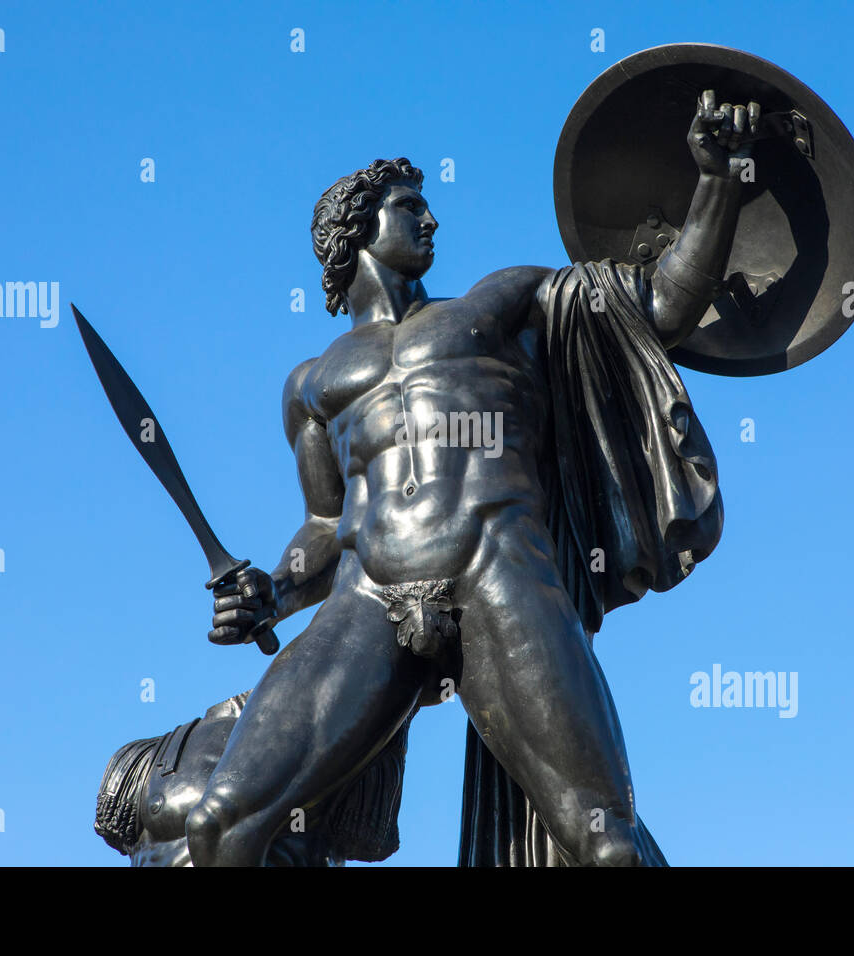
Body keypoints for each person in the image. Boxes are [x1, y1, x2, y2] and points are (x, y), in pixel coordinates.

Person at [185, 91, 759, 866]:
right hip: (366, 602)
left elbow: (661, 304)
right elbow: (326, 526)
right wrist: (274, 592)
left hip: (498, 573)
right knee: (220, 824)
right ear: (356, 228)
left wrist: (717, 181)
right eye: (410, 207)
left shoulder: (502, 304)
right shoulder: (311, 383)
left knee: (605, 842)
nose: (431, 221)